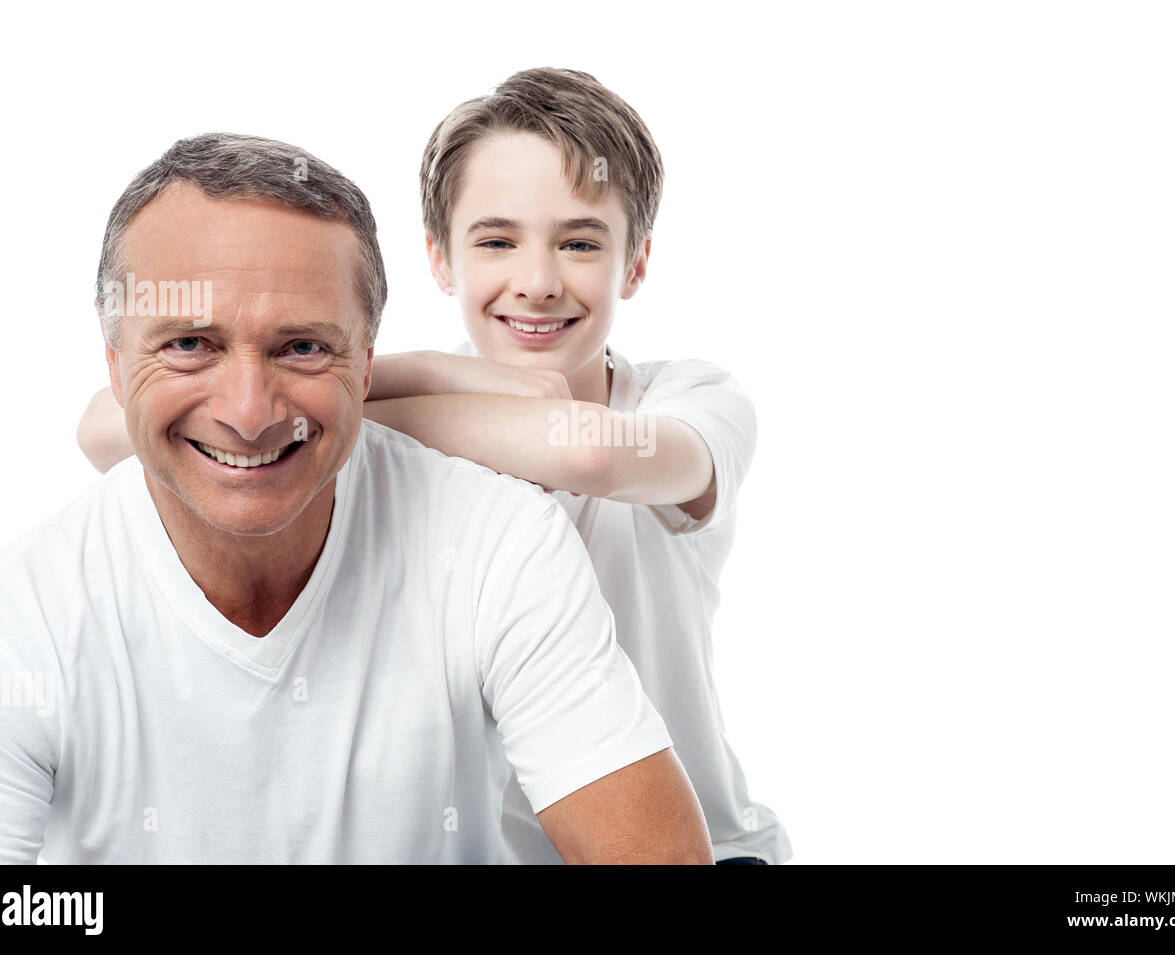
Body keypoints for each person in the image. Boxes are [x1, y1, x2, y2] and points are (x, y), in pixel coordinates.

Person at [81, 69, 792, 865]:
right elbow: (107, 429)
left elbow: (586, 452)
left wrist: (341, 401)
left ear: (636, 263)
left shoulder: (690, 398)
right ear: (440, 259)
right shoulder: (416, 400)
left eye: (581, 242)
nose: (537, 281)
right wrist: (415, 376)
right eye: (496, 240)